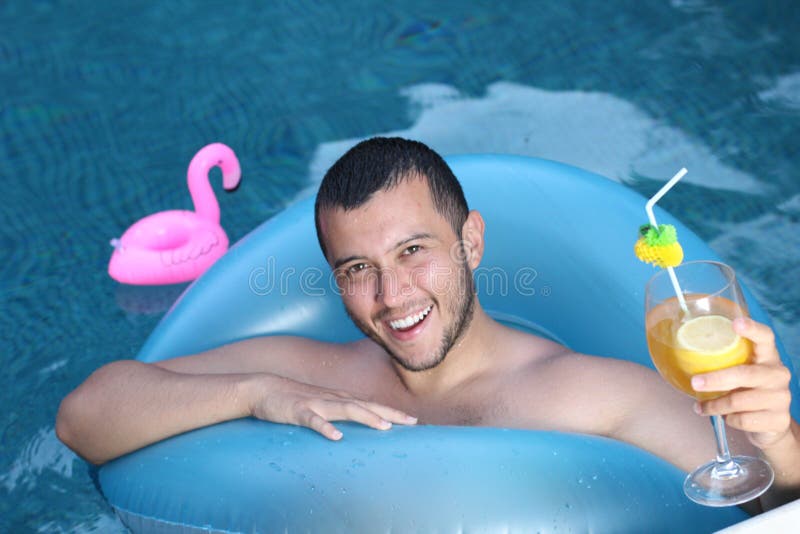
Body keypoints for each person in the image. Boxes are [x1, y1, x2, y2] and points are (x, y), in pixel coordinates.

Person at [57, 137, 800, 511]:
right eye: (358, 268)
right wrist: (256, 393)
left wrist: (777, 438)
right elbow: (85, 416)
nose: (392, 295)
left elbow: (770, 504)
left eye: (414, 251)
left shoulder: (590, 394)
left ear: (470, 242)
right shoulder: (307, 371)